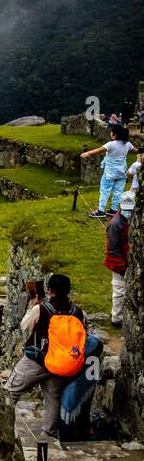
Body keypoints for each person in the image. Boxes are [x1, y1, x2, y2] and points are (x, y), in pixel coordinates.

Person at [5, 273, 87, 443]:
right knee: (53, 399)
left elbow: (24, 325)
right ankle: (48, 435)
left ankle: (1, 425)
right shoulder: (77, 311)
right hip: (60, 363)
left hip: (36, 360)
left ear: (50, 290)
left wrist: (33, 305)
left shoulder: (42, 308)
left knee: (10, 391)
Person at [82, 123, 137, 219]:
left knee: (104, 191)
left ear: (115, 134)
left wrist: (88, 153)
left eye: (112, 132)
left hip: (109, 174)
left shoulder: (110, 144)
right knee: (118, 191)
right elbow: (136, 150)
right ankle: (114, 210)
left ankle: (101, 210)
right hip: (122, 173)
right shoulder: (128, 144)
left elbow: (99, 150)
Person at [106, 190, 134, 327]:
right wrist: (121, 268)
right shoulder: (115, 224)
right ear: (120, 207)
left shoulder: (134, 219)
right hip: (119, 263)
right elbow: (113, 249)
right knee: (119, 291)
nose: (128, 212)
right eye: (126, 209)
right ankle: (116, 319)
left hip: (130, 261)